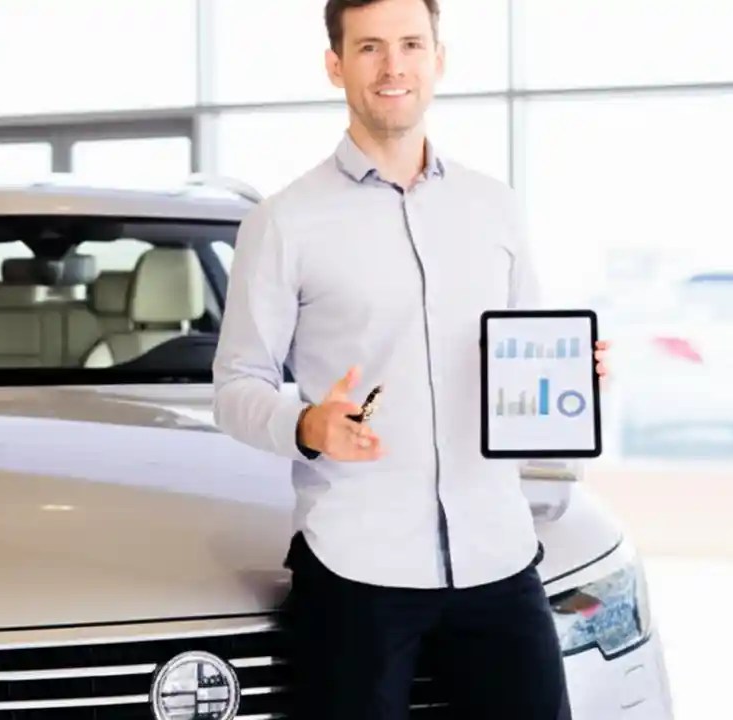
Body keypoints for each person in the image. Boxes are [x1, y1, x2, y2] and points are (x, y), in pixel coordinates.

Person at [212, 0, 611, 717]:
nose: (393, 66)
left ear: (438, 58)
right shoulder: (284, 221)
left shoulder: (496, 208)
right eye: (369, 48)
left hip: (498, 555)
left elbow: (522, 351)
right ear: (335, 64)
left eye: (410, 44)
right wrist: (308, 424)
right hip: (356, 566)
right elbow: (237, 385)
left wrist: (569, 374)